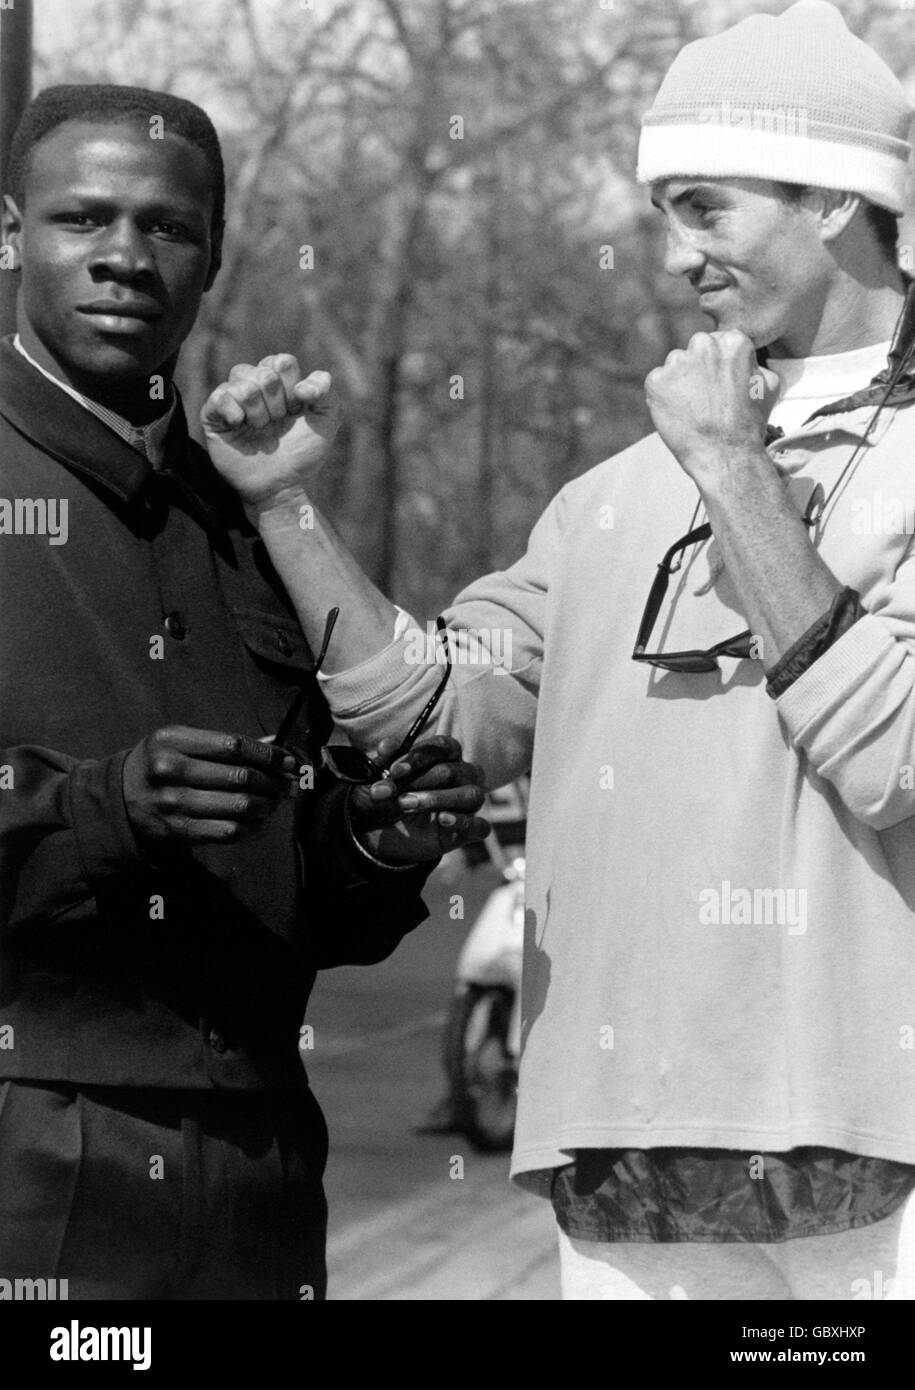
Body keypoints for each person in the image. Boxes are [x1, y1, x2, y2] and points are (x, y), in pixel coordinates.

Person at [201, 1, 915, 1300]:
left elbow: (892, 759)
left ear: (830, 198)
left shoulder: (737, 454)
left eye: (704, 207)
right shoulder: (606, 496)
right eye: (660, 213)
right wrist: (285, 511)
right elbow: (429, 706)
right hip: (621, 1158)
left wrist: (728, 470)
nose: (671, 255)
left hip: (875, 1170)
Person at [0, 83, 489, 1302]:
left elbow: (302, 891)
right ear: (11, 231)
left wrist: (373, 840)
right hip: (29, 1148)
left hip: (263, 1157)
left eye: (167, 227)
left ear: (213, 251)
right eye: (82, 219)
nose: (124, 257)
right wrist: (103, 809)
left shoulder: (251, 509)